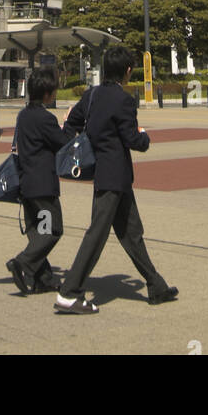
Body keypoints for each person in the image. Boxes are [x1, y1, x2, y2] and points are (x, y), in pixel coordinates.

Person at [55, 45, 178, 315]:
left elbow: (70, 124)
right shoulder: (123, 100)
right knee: (97, 234)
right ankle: (69, 292)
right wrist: (144, 136)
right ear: (128, 71)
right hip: (115, 176)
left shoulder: (91, 95)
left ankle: (156, 285)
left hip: (105, 174)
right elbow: (133, 139)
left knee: (131, 233)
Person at [6, 69, 69, 296]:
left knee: (37, 232)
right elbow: (64, 143)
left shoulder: (23, 115)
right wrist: (68, 124)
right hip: (43, 185)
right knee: (52, 230)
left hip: (26, 184)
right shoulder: (46, 118)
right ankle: (22, 263)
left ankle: (43, 279)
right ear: (46, 94)